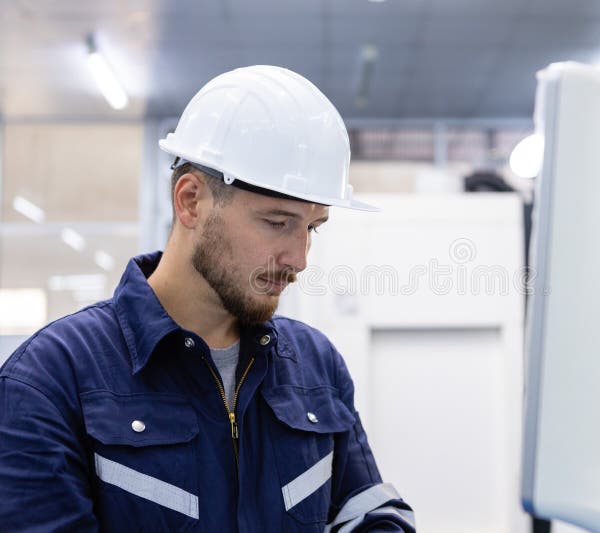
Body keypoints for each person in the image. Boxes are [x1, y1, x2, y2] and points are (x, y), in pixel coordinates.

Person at [0, 66, 415, 532]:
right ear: (191, 201)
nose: (299, 258)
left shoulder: (316, 367)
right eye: (277, 223)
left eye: (312, 227)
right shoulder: (52, 379)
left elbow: (368, 512)